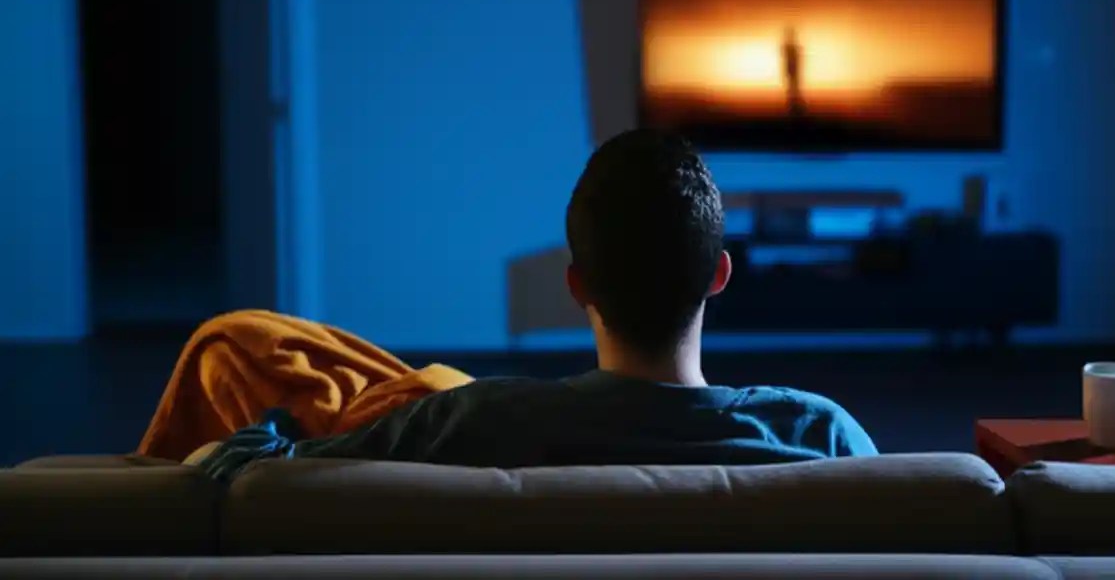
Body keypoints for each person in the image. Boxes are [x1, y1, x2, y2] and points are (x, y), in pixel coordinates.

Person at [197, 130, 876, 479]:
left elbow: (252, 475)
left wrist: (275, 422)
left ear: (575, 284)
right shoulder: (819, 434)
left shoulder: (468, 421)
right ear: (718, 275)